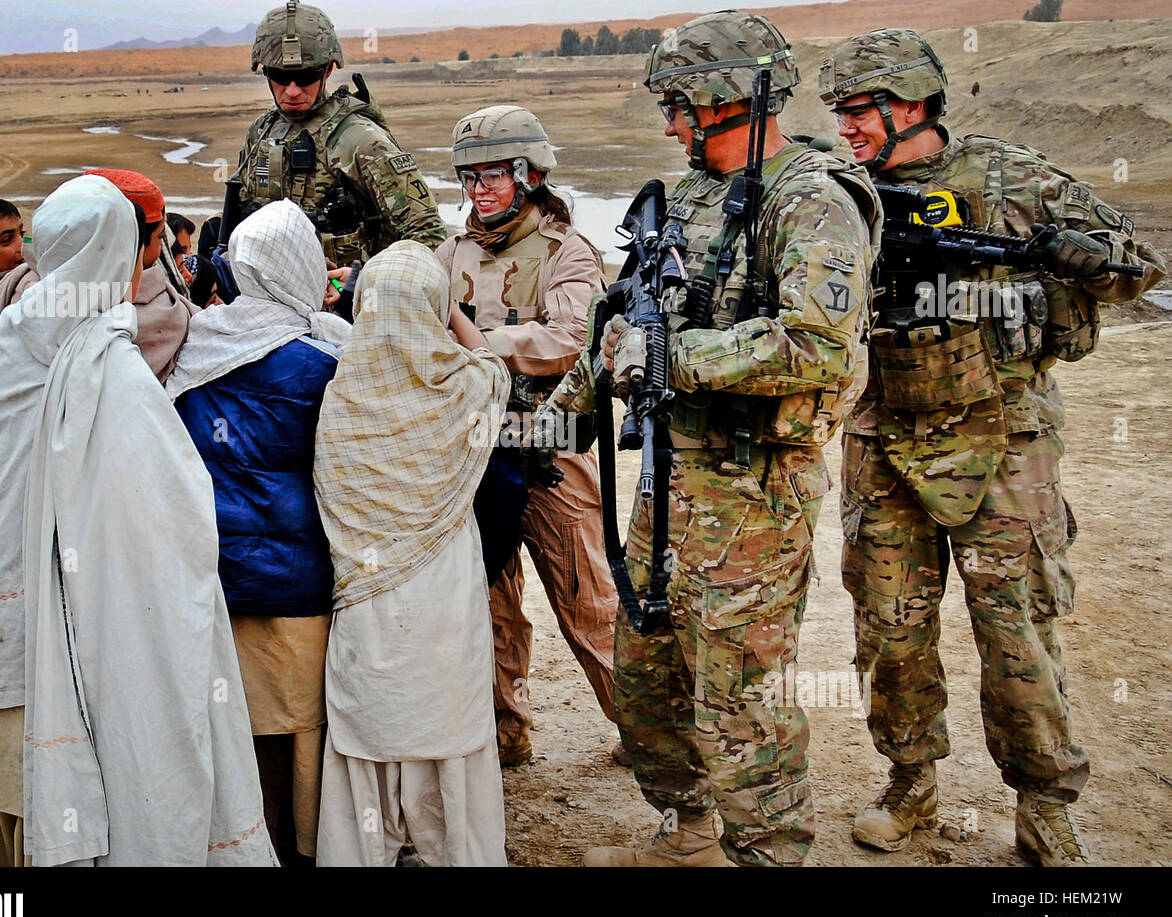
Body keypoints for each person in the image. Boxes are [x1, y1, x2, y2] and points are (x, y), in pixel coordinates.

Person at [819, 28, 1166, 866]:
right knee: (889, 630)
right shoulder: (841, 195)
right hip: (886, 437)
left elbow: (1137, 268)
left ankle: (1045, 804)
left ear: (909, 103)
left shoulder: (1013, 177)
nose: (847, 129)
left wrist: (1079, 258)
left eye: (857, 112)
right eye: (840, 114)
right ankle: (910, 786)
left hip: (1006, 442)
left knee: (1018, 633)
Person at [547, 11, 880, 866]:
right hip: (670, 483)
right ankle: (686, 822)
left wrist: (671, 358)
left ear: (726, 98)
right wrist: (558, 409)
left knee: (741, 699)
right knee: (649, 675)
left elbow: (817, 344)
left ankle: (767, 853)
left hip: (755, 494)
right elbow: (622, 318)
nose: (668, 125)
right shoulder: (689, 195)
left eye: (678, 106)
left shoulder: (815, 200)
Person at [0, 174, 274, 866]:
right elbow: (170, 526)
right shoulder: (112, 372)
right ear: (121, 255)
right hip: (65, 659)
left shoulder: (11, 338)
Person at [313, 241, 509, 867]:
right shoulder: (465, 393)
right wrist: (453, 312)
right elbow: (495, 367)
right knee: (445, 721)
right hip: (443, 590)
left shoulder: (340, 400)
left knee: (372, 724)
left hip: (365, 595)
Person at [436, 105, 618, 767]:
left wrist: (478, 342)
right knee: (488, 601)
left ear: (531, 174)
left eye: (495, 175)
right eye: (470, 177)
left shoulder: (567, 251)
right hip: (472, 456)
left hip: (549, 447)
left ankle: (650, 739)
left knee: (588, 599)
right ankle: (504, 732)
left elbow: (572, 339)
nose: (480, 189)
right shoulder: (449, 253)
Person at [170, 200, 350, 864]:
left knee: (230, 726)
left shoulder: (198, 346)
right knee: (301, 731)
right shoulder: (329, 359)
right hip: (302, 585)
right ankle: (304, 844)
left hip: (216, 580)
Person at [236, 3, 444, 265]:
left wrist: (364, 281)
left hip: (347, 300)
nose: (292, 91)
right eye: (279, 76)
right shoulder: (262, 132)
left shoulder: (361, 140)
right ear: (265, 72)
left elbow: (428, 234)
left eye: (305, 77)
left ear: (328, 70)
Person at [85, 168, 197, 381]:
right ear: (132, 242)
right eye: (160, 237)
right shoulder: (164, 314)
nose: (160, 251)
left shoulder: (32, 290)